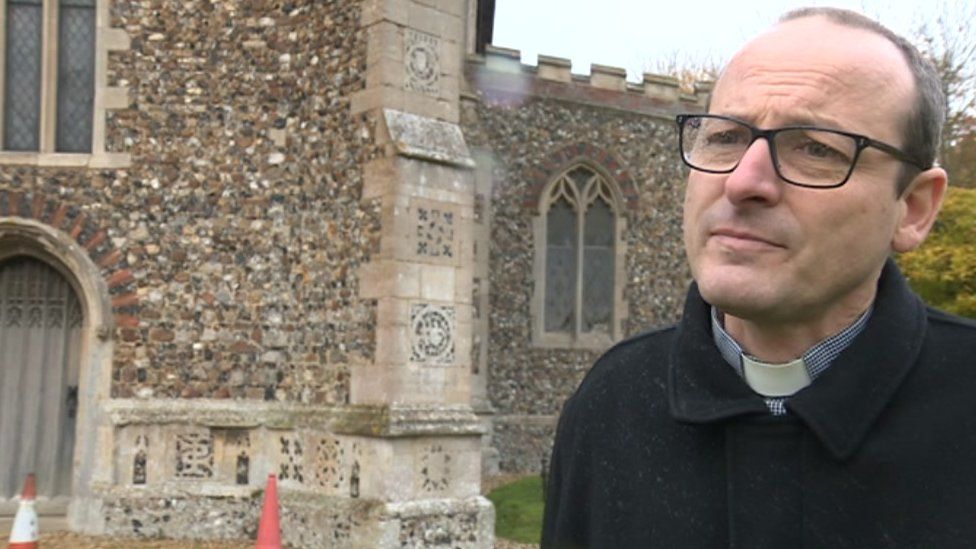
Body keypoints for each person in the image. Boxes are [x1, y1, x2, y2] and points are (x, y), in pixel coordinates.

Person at [541, 7, 976, 548]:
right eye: (724, 137)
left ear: (911, 208)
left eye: (816, 148)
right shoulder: (610, 406)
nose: (744, 181)